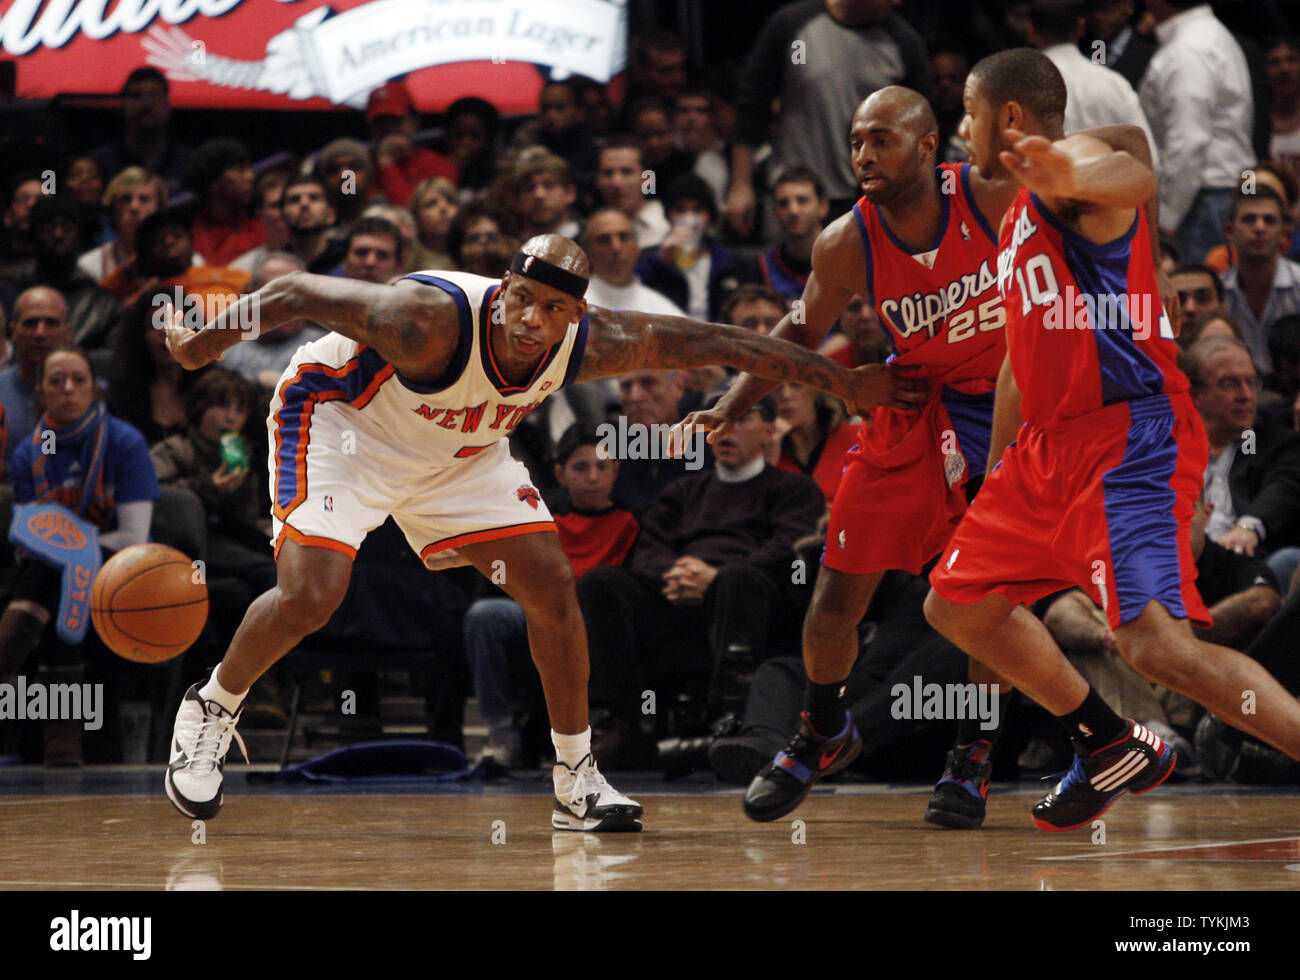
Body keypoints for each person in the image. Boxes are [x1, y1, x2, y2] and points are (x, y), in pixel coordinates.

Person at [159, 233, 927, 831]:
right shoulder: (423, 321)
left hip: (459, 449)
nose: (530, 320)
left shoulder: (598, 344)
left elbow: (726, 343)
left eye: (551, 310)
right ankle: (212, 708)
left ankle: (575, 777)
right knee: (314, 596)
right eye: (519, 299)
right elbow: (292, 289)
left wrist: (848, 382)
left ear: (577, 317)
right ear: (502, 291)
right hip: (342, 427)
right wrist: (203, 343)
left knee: (554, 586)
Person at [683, 82, 1169, 829]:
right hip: (911, 410)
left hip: (1005, 406)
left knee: (980, 596)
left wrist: (1065, 171)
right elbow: (799, 327)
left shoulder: (994, 192)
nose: (863, 154)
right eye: (854, 140)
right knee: (834, 598)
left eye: (881, 138)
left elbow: (1125, 151)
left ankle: (973, 753)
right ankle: (821, 728)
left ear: (926, 145)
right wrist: (731, 400)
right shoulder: (847, 239)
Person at [923, 48, 1300, 833]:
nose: (962, 128)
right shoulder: (1019, 215)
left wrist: (1066, 167)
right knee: (957, 606)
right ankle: (1105, 741)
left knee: (1157, 648)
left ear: (1011, 118)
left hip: (1128, 437)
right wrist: (993, 479)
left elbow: (1129, 180)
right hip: (1041, 454)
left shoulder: (1076, 174)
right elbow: (1017, 366)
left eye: (968, 111)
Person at [0, 345, 160, 764]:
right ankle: (61, 743)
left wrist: (72, 548)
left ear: (94, 389)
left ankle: (57, 730)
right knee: (62, 575)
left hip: (124, 568)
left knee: (62, 572)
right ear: (41, 392)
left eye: (79, 380)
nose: (68, 389)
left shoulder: (123, 442)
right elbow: (30, 538)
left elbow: (133, 537)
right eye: (56, 382)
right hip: (52, 569)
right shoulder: (28, 454)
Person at [1139, 0, 1254, 265]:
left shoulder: (1187, 50)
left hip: (1200, 198)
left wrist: (1165, 220)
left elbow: (1189, 143)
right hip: (1211, 193)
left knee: (1195, 297)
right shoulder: (1211, 34)